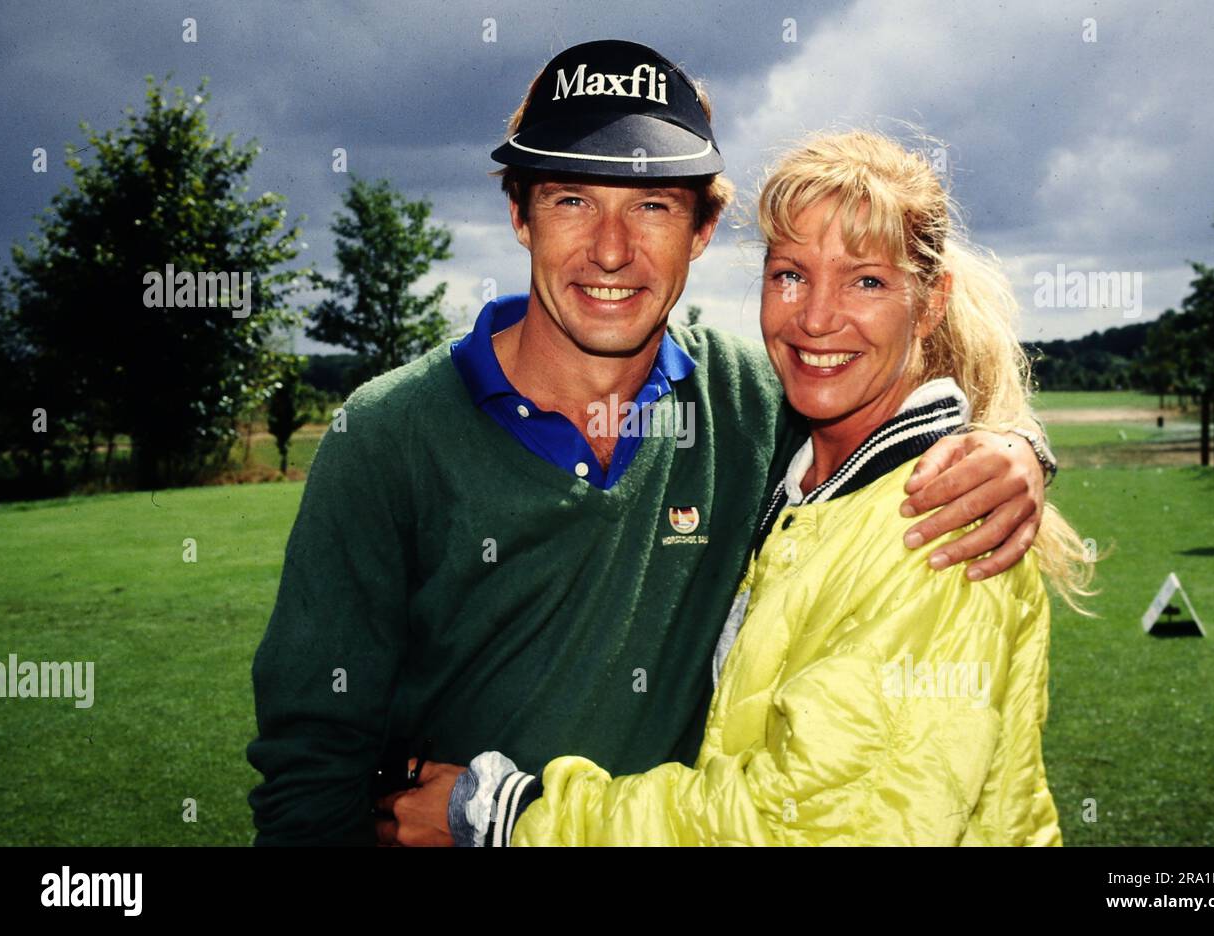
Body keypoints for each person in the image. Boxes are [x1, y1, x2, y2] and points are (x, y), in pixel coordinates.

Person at [246, 40, 1056, 847]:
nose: (609, 249)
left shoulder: (754, 401)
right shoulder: (386, 435)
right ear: (518, 212)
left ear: (702, 230)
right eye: (571, 200)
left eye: (652, 205)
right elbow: (312, 762)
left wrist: (1012, 445)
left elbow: (882, 411)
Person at [432, 129, 1095, 846]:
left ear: (931, 304)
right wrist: (1019, 440)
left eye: (865, 281)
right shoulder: (806, 468)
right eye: (789, 275)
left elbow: (812, 827)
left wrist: (510, 815)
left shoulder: (941, 520)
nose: (815, 318)